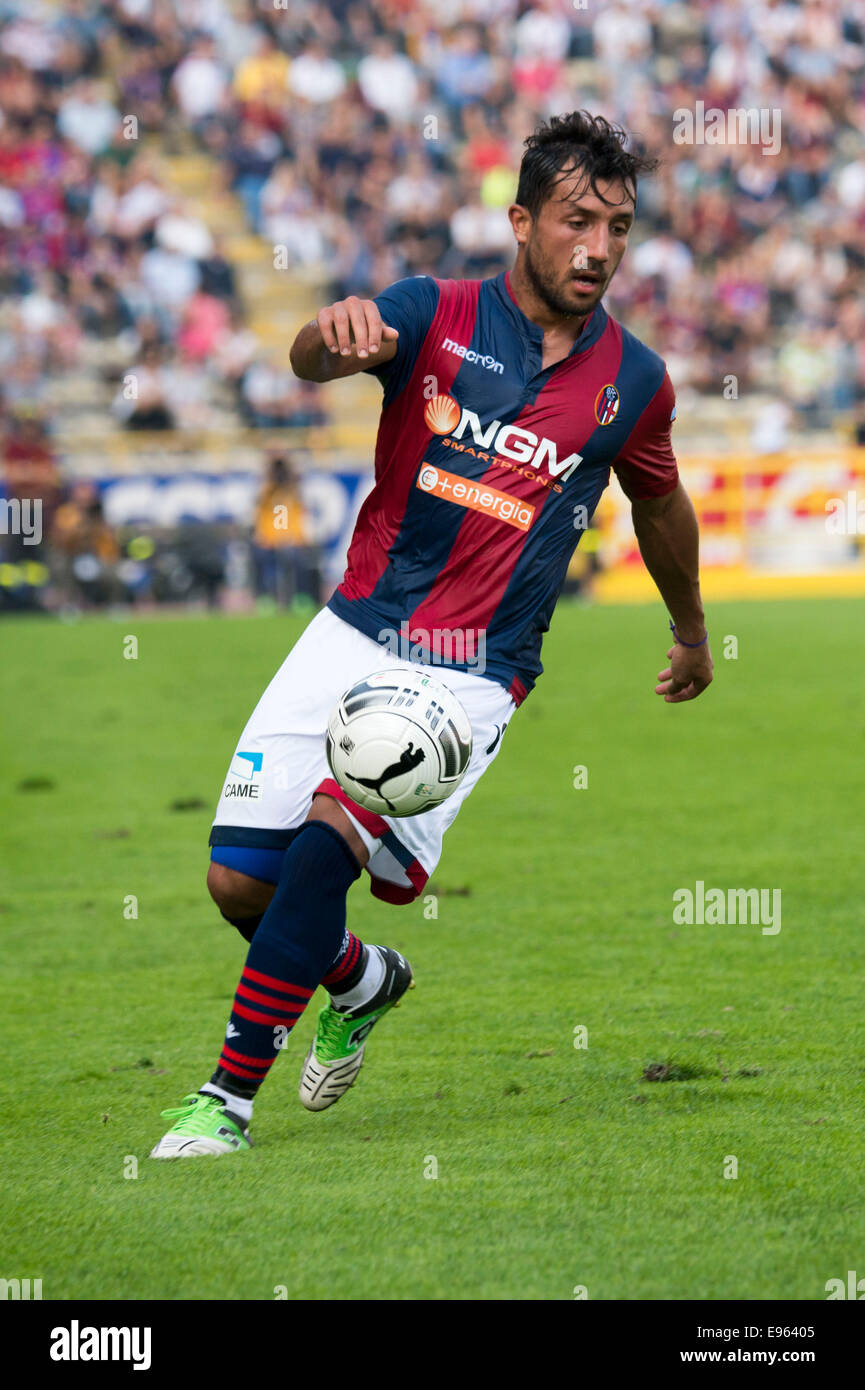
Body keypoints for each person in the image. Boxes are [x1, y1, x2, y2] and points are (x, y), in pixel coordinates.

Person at [151, 111, 713, 1158]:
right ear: (520, 219)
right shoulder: (434, 311)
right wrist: (334, 330)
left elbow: (661, 503)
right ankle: (360, 979)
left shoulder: (633, 382)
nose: (598, 247)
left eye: (619, 228)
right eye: (576, 220)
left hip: (472, 668)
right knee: (239, 882)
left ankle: (222, 1101)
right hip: (355, 623)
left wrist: (690, 629)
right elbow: (309, 355)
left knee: (330, 835)